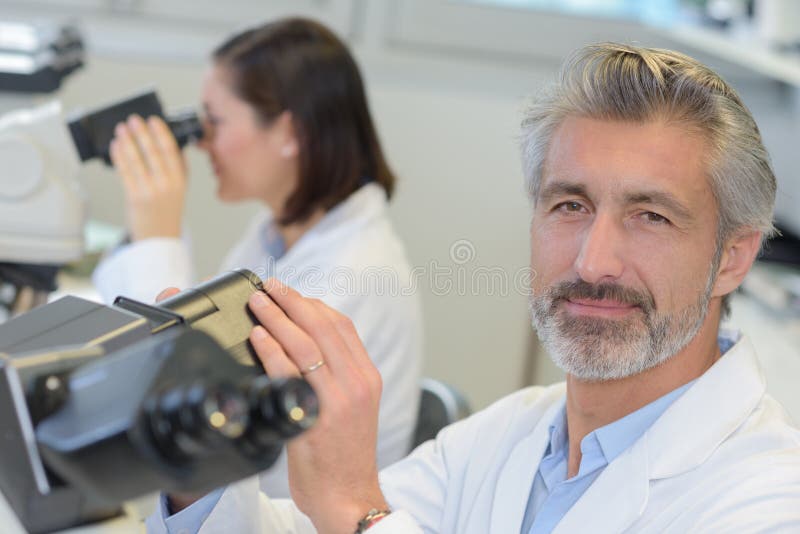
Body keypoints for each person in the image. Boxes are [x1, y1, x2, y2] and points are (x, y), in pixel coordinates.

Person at [147, 43, 800, 533]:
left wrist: (355, 509)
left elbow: (354, 519)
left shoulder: (766, 501)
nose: (594, 261)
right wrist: (200, 464)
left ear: (733, 258)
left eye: (650, 216)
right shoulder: (516, 433)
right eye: (569, 206)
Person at [92, 18, 423, 498]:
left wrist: (156, 235)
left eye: (215, 121)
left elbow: (192, 407)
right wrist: (152, 231)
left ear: (289, 131)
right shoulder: (276, 234)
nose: (201, 141)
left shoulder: (351, 275)